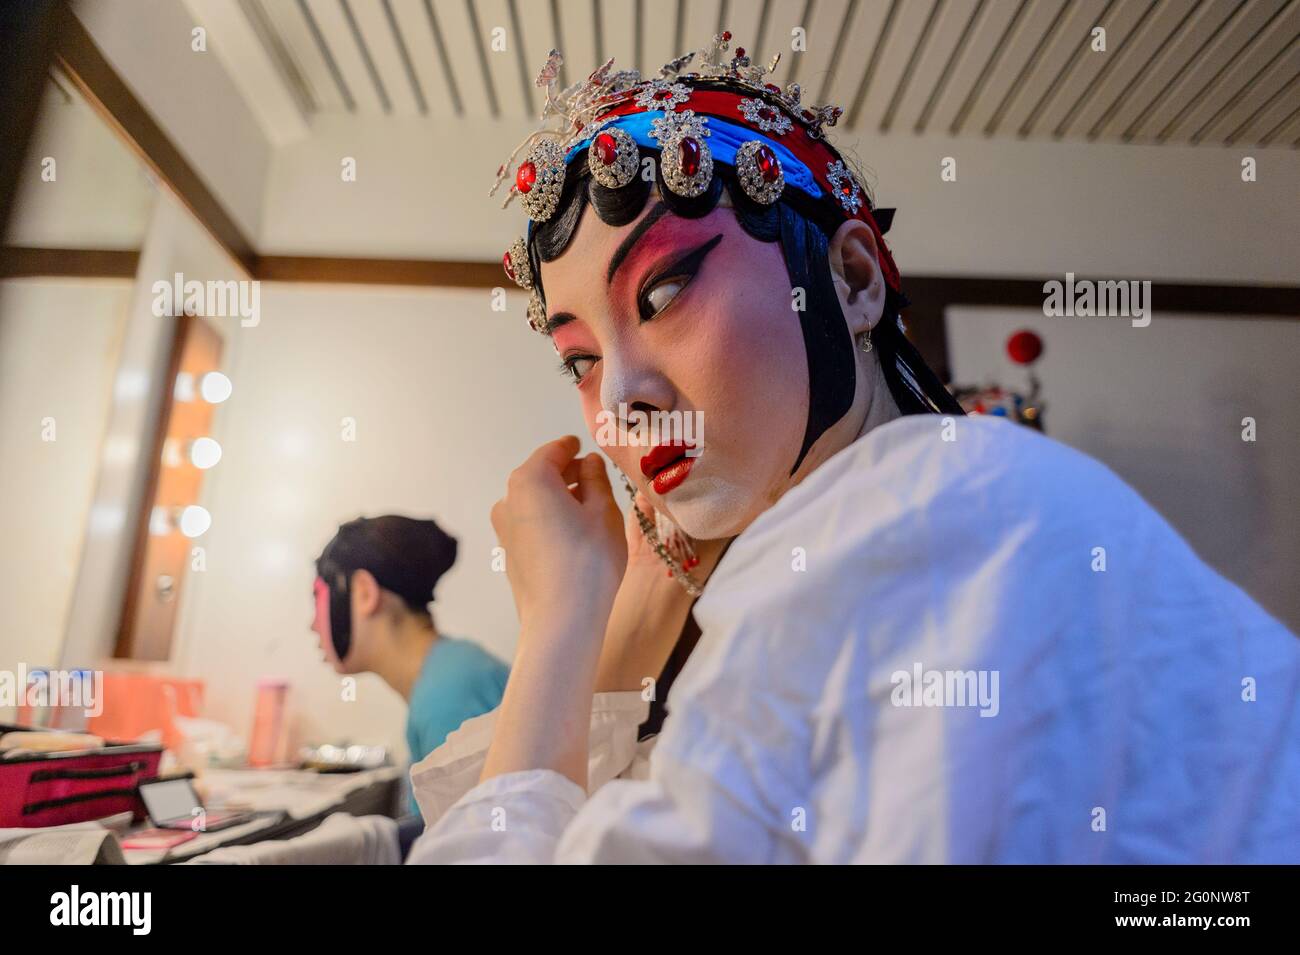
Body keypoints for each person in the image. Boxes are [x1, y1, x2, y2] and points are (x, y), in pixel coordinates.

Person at [407, 34, 1299, 863]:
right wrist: (637, 610)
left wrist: (561, 624)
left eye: (666, 289)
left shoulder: (929, 528)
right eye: (580, 360)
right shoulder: (877, 538)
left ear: (854, 279)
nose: (623, 398)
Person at [311, 516, 508, 816]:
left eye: (317, 598)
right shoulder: (450, 671)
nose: (312, 625)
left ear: (365, 592)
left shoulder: (450, 696)